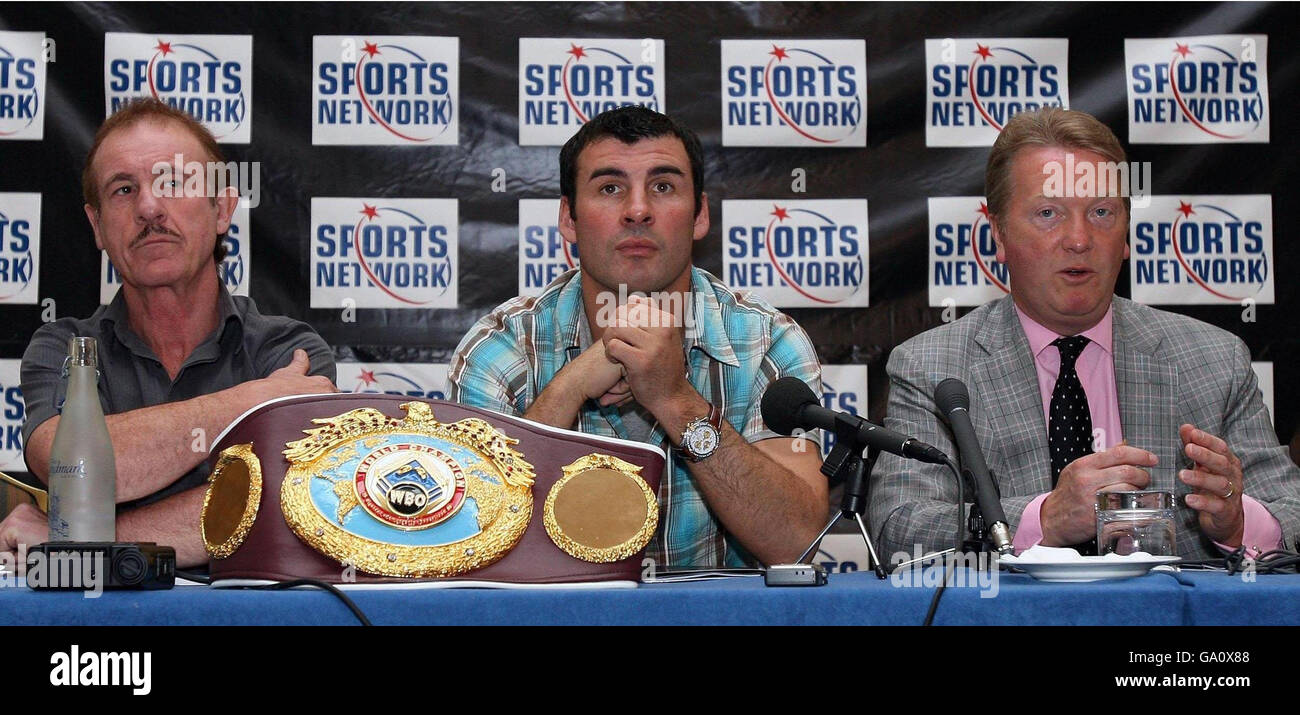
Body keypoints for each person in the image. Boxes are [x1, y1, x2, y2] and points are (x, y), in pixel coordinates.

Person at [871, 107, 1300, 560]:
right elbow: (900, 528)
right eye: (1049, 213)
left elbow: (1291, 513)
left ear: (1127, 231)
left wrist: (1237, 523)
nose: (1079, 238)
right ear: (997, 233)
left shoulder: (1213, 360)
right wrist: (1046, 519)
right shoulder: (933, 368)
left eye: (1100, 212)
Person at [448, 106, 826, 568]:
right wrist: (569, 388)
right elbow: (466, 541)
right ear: (568, 218)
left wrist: (675, 399)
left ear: (700, 214)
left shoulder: (768, 341)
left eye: (663, 187)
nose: (638, 211)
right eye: (610, 188)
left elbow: (796, 543)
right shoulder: (498, 347)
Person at [0, 98, 337, 567]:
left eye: (173, 182)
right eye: (122, 189)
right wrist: (255, 402)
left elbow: (283, 505)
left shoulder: (286, 352)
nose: (149, 207)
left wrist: (84, 545)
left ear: (221, 209)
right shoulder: (64, 348)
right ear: (97, 226)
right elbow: (75, 469)